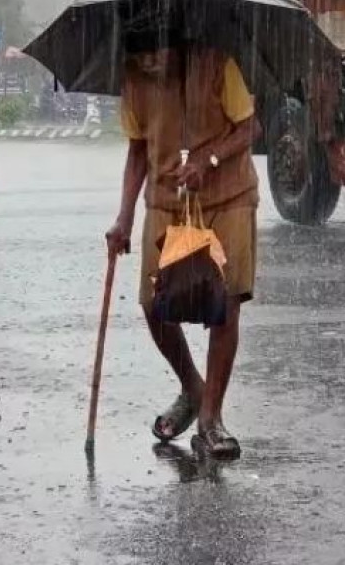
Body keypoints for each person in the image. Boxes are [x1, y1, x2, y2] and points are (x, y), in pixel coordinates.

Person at [105, 42, 261, 460]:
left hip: (229, 194)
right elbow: (138, 149)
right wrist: (123, 218)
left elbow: (249, 128)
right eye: (141, 52)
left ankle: (211, 418)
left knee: (225, 303)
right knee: (153, 305)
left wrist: (208, 159)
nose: (149, 59)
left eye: (156, 49)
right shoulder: (134, 80)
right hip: (166, 198)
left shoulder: (216, 62)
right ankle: (193, 388)